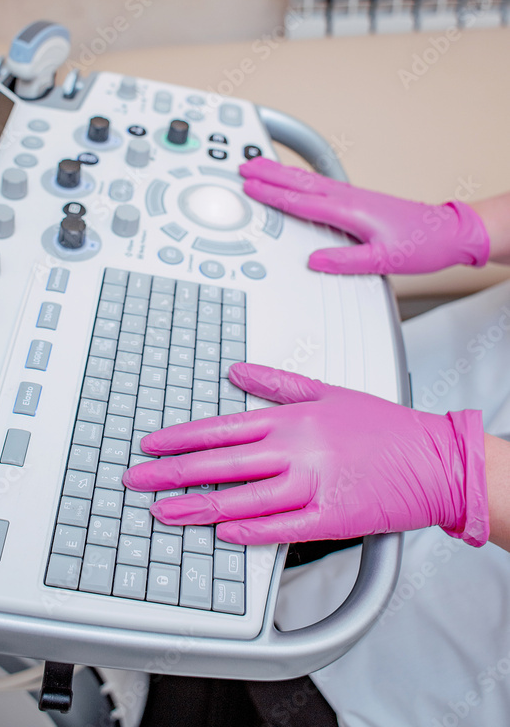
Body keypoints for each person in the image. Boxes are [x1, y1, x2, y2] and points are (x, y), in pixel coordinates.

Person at [124, 157, 510, 726]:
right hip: (450, 377)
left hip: (426, 654)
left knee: (283, 675)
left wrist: (462, 473)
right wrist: (469, 227)